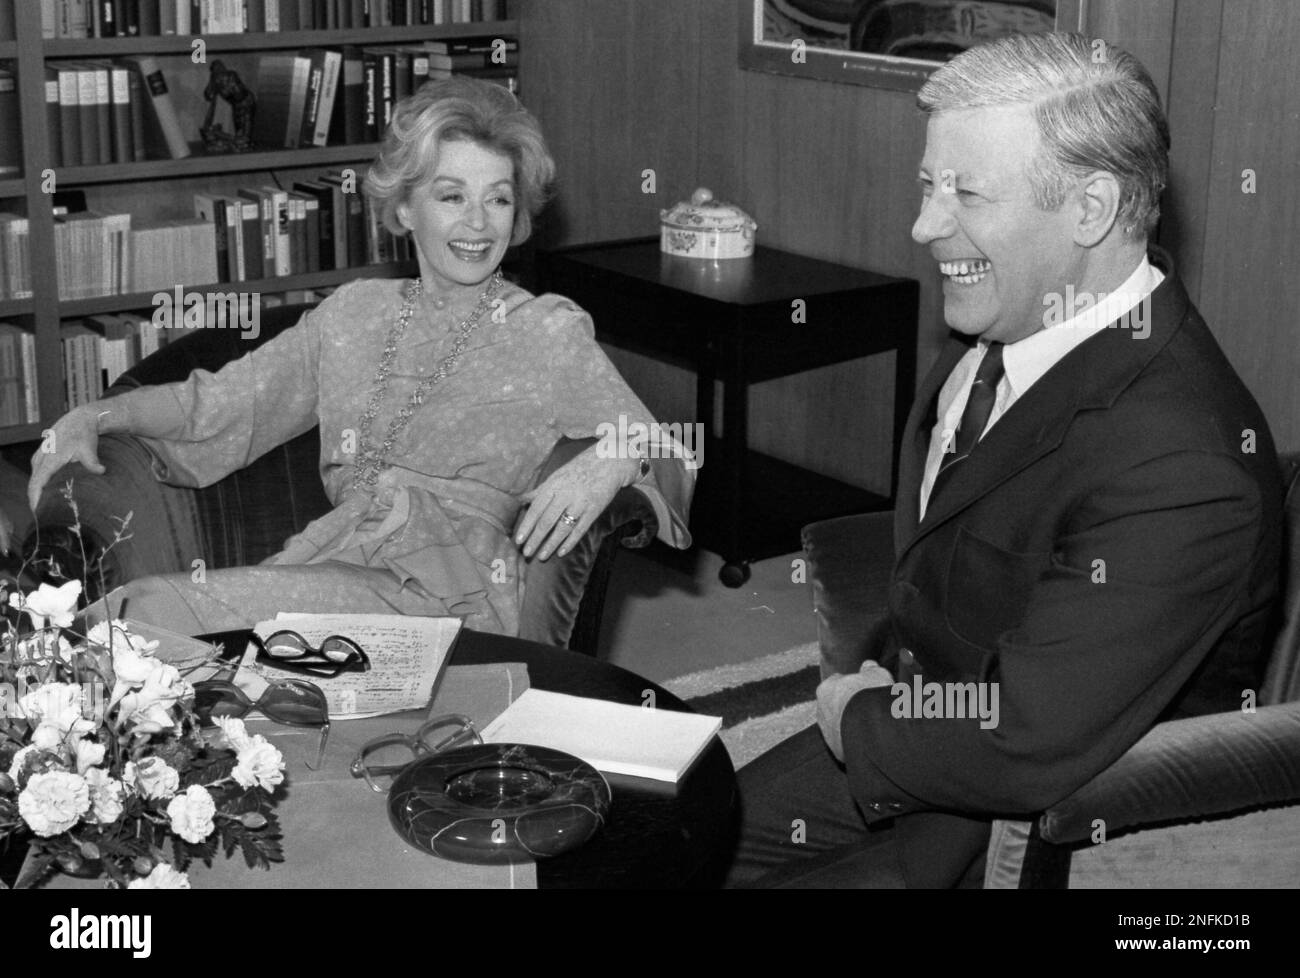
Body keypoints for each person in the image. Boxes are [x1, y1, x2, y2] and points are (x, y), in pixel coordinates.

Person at [724, 31, 1283, 888]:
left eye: (967, 196)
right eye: (926, 186)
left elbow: (1025, 733)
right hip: (919, 731)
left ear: (1090, 209)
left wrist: (854, 714)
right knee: (667, 834)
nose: (922, 226)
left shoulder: (1184, 465)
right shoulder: (1010, 318)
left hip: (1027, 837)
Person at [26, 77, 694, 637]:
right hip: (341, 572)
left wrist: (611, 459)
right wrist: (100, 412)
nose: (478, 223)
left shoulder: (544, 332)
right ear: (404, 208)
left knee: (142, 621)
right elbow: (222, 405)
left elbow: (670, 449)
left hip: (454, 606)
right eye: (452, 196)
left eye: (498, 199)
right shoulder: (354, 313)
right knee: (138, 628)